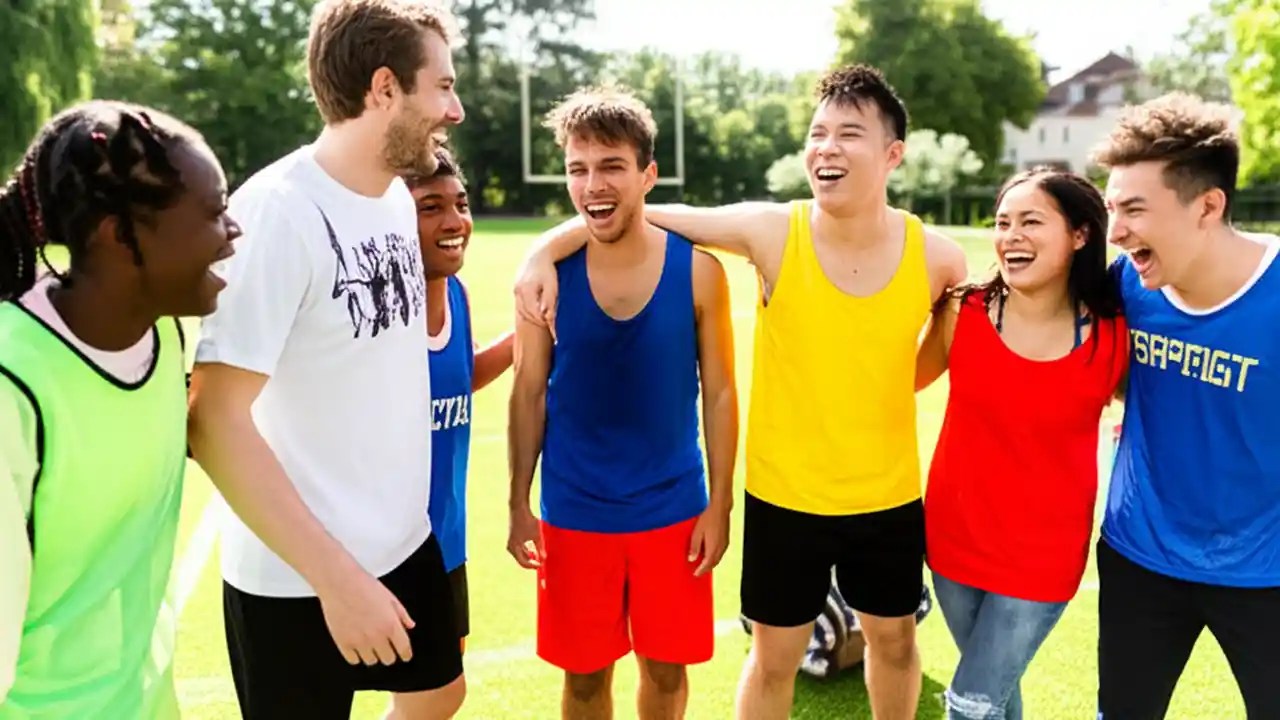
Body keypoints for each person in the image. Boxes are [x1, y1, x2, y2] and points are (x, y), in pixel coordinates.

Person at [514, 64, 968, 720]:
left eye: (849, 133)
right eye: (817, 133)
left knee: (894, 643)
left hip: (888, 496)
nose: (826, 147)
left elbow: (925, 364)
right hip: (784, 497)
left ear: (893, 153)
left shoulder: (941, 259)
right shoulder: (772, 232)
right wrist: (542, 252)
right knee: (773, 659)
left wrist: (875, 387)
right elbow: (635, 210)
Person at [186, 0, 467, 717]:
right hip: (298, 578)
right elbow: (212, 422)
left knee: (440, 693)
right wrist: (339, 583)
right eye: (441, 86)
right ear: (383, 89)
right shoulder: (276, 216)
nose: (456, 109)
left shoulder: (396, 203)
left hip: (402, 540)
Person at [0, 100, 240, 718]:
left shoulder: (167, 339)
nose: (233, 230)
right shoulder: (11, 386)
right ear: (118, 236)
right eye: (214, 212)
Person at [506, 86, 738, 720]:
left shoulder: (699, 273)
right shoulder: (544, 280)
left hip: (674, 511)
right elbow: (528, 392)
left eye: (610, 166)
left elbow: (719, 392)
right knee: (583, 681)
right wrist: (517, 503)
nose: (592, 185)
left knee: (665, 674)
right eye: (578, 169)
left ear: (647, 175)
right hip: (575, 513)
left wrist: (720, 504)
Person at [915, 167, 1127, 719]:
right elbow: (898, 383)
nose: (1011, 235)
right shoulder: (964, 311)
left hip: (1043, 556)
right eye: (1003, 222)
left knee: (970, 704)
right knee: (997, 696)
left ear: (1080, 235)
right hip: (953, 539)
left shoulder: (1112, 336)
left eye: (1032, 221)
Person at [1093, 93, 1280, 718]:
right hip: (1140, 556)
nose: (1116, 231)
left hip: (1266, 571)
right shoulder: (1128, 282)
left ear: (1208, 206)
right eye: (1113, 208)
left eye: (1135, 210)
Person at [404, 147, 514, 649]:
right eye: (430, 207)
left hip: (445, 537)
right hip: (382, 545)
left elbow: (458, 377)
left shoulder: (457, 294)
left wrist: (528, 333)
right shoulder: (381, 312)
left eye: (461, 204)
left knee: (441, 690)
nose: (455, 221)